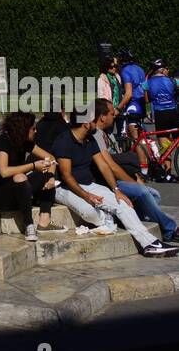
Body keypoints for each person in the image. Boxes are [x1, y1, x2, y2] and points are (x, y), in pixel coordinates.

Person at [52, 106, 176, 256]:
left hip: (88, 184)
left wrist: (116, 190)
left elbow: (104, 166)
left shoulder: (89, 139)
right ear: (85, 124)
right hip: (65, 188)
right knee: (90, 212)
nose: (95, 124)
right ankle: (108, 217)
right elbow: (66, 176)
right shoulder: (64, 141)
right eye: (93, 121)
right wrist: (87, 196)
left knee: (123, 202)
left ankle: (149, 244)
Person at [90, 99, 178, 244]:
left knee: (154, 194)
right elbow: (111, 165)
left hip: (116, 177)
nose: (115, 116)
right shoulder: (96, 135)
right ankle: (170, 228)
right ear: (102, 117)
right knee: (143, 192)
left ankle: (142, 217)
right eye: (112, 114)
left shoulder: (106, 133)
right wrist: (133, 182)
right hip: (107, 181)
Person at [0, 111, 60, 241]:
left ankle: (44, 220)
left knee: (44, 176)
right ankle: (29, 226)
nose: (35, 131)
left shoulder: (25, 142)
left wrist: (51, 176)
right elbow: (4, 171)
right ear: (23, 130)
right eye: (33, 129)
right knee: (20, 177)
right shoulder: (3, 142)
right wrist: (33, 166)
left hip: (15, 189)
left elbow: (51, 158)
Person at [142, 59, 179, 136]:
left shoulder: (147, 83)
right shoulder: (173, 81)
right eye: (167, 68)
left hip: (160, 113)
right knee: (176, 138)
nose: (168, 70)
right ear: (162, 70)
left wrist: (148, 113)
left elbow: (147, 100)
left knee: (162, 137)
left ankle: (168, 147)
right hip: (173, 111)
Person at [117, 49, 147, 142]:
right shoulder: (140, 69)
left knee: (136, 141)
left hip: (133, 104)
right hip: (141, 103)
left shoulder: (125, 71)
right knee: (141, 136)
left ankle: (142, 156)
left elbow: (128, 93)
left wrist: (118, 108)